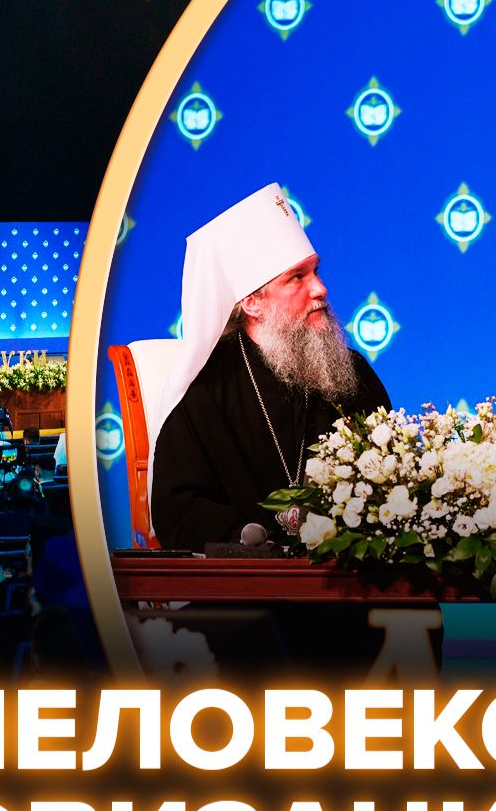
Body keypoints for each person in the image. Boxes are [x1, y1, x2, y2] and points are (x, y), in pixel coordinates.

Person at [151, 184, 391, 551]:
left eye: (315, 272)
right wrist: (259, 543)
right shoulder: (206, 389)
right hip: (250, 579)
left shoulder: (352, 371)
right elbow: (180, 511)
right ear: (252, 302)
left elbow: (392, 474)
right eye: (297, 277)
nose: (320, 289)